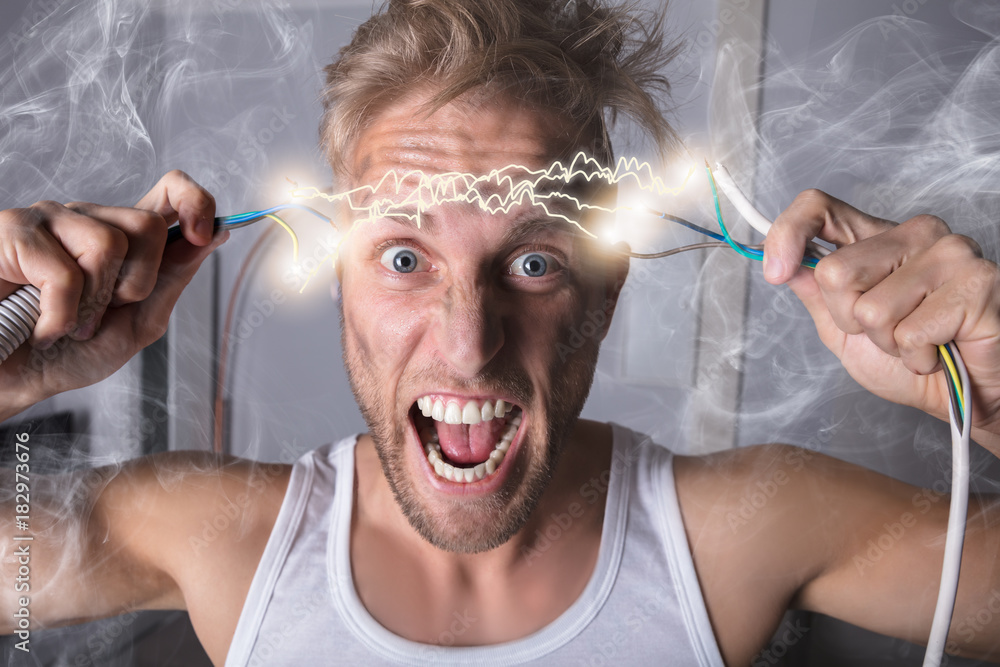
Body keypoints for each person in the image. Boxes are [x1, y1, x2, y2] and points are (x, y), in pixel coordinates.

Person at [2, 0, 999, 664]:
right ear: (340, 280)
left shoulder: (746, 528)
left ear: (605, 292)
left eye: (532, 263)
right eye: (405, 258)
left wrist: (996, 394)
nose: (469, 340)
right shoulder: (221, 535)